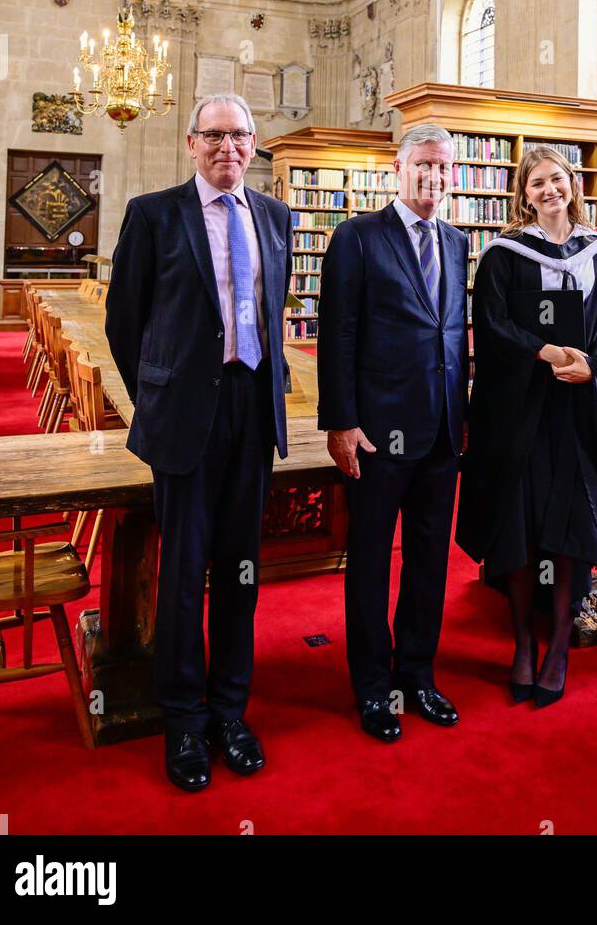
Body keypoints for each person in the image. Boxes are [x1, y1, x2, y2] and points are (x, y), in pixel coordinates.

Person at [105, 93, 292, 791]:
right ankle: (182, 721)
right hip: (186, 412)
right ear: (191, 143)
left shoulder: (274, 217)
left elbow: (273, 311)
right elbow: (126, 322)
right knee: (184, 576)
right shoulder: (155, 215)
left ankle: (230, 712)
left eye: (240, 135)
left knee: (242, 572)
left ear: (253, 143)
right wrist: (161, 391)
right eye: (214, 136)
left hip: (252, 409)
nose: (228, 148)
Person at [456, 146, 597, 707]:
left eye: (556, 179)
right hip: (521, 412)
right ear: (523, 193)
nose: (548, 190)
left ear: (573, 184)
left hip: (578, 411)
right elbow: (490, 324)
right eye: (536, 183)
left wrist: (595, 364)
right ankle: (522, 646)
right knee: (521, 524)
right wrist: (542, 350)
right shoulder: (503, 255)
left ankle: (558, 644)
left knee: (571, 525)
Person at [317, 123, 469, 742]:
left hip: (441, 432)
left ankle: (418, 673)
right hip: (378, 432)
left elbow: (451, 334)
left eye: (443, 168)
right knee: (372, 561)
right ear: (398, 171)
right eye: (423, 166)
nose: (433, 177)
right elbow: (339, 335)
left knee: (431, 561)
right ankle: (373, 688)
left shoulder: (458, 242)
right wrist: (342, 421)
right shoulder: (356, 238)